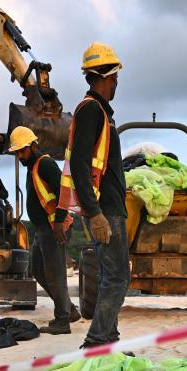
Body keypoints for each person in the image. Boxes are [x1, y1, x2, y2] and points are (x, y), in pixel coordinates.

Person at [61, 41, 128, 348]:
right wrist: (95, 212)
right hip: (106, 210)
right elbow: (79, 162)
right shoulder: (92, 110)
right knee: (116, 278)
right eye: (115, 78)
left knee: (112, 277)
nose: (116, 84)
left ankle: (107, 340)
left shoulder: (100, 112)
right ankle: (97, 341)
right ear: (107, 76)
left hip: (108, 208)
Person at [8, 126, 81, 334]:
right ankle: (69, 310)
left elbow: (63, 192)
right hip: (42, 229)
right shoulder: (33, 168)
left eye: (22, 151)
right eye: (17, 153)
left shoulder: (45, 164)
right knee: (39, 271)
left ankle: (62, 321)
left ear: (33, 146)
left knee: (55, 275)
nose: (20, 156)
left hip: (53, 229)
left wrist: (58, 222)